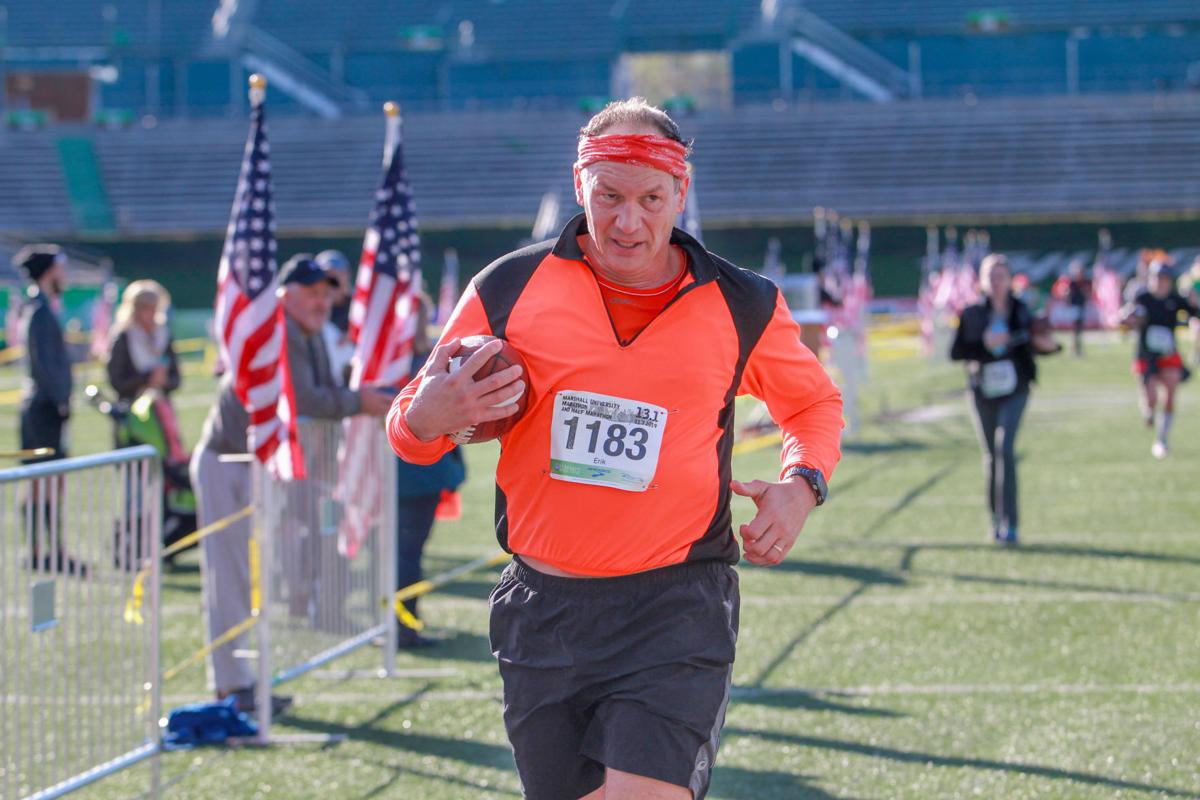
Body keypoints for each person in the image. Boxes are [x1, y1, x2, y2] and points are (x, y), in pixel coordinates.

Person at [387, 98, 843, 800]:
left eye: (650, 198)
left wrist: (802, 480)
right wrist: (424, 418)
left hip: (675, 604)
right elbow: (411, 434)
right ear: (580, 186)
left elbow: (812, 402)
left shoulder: (741, 303)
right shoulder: (507, 289)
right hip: (543, 610)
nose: (629, 221)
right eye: (609, 197)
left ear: (679, 194)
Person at [190, 254, 392, 715]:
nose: (322, 301)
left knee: (250, 577)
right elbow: (303, 397)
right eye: (312, 292)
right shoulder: (282, 328)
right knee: (232, 578)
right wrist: (360, 401)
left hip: (255, 463)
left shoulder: (307, 332)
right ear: (284, 294)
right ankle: (232, 686)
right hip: (230, 459)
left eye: (326, 293)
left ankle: (243, 682)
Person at [950, 254, 1040, 547]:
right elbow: (957, 352)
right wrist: (984, 345)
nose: (997, 282)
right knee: (991, 455)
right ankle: (995, 519)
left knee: (1005, 449)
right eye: (991, 276)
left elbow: (1034, 345)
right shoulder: (972, 313)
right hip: (983, 391)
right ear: (983, 281)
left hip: (1016, 389)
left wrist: (1050, 344)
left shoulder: (1022, 310)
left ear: (1011, 279)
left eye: (1002, 276)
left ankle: (1011, 522)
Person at [393, 293, 466, 649]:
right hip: (413, 472)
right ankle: (402, 628)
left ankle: (401, 625)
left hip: (418, 472)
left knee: (403, 552)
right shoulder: (419, 362)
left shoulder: (413, 359)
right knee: (405, 554)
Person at [14, 244, 85, 574]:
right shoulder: (39, 311)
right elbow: (44, 364)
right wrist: (59, 400)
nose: (64, 276)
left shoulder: (42, 307)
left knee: (49, 481)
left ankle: (51, 548)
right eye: (60, 268)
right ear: (48, 272)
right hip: (43, 409)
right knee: (40, 481)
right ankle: (42, 550)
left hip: (46, 407)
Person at [1119, 261, 1199, 459]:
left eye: (1164, 279)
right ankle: (1148, 410)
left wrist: (1194, 301)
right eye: (1157, 278)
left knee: (1170, 393)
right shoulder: (1142, 298)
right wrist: (1126, 320)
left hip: (1168, 353)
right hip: (1146, 355)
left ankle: (1162, 439)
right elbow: (1126, 319)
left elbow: (1195, 314)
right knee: (1151, 399)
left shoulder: (1175, 299)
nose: (1161, 283)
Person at [105, 279, 181, 404]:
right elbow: (117, 381)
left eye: (154, 308)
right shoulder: (123, 337)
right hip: (130, 406)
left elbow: (175, 378)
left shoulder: (164, 335)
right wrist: (147, 378)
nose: (150, 314)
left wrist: (164, 381)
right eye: (145, 308)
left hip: (161, 407)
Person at [315, 249, 355, 385]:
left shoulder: (359, 305)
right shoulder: (313, 305)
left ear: (347, 275)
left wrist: (354, 334)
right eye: (327, 276)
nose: (333, 282)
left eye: (337, 275)